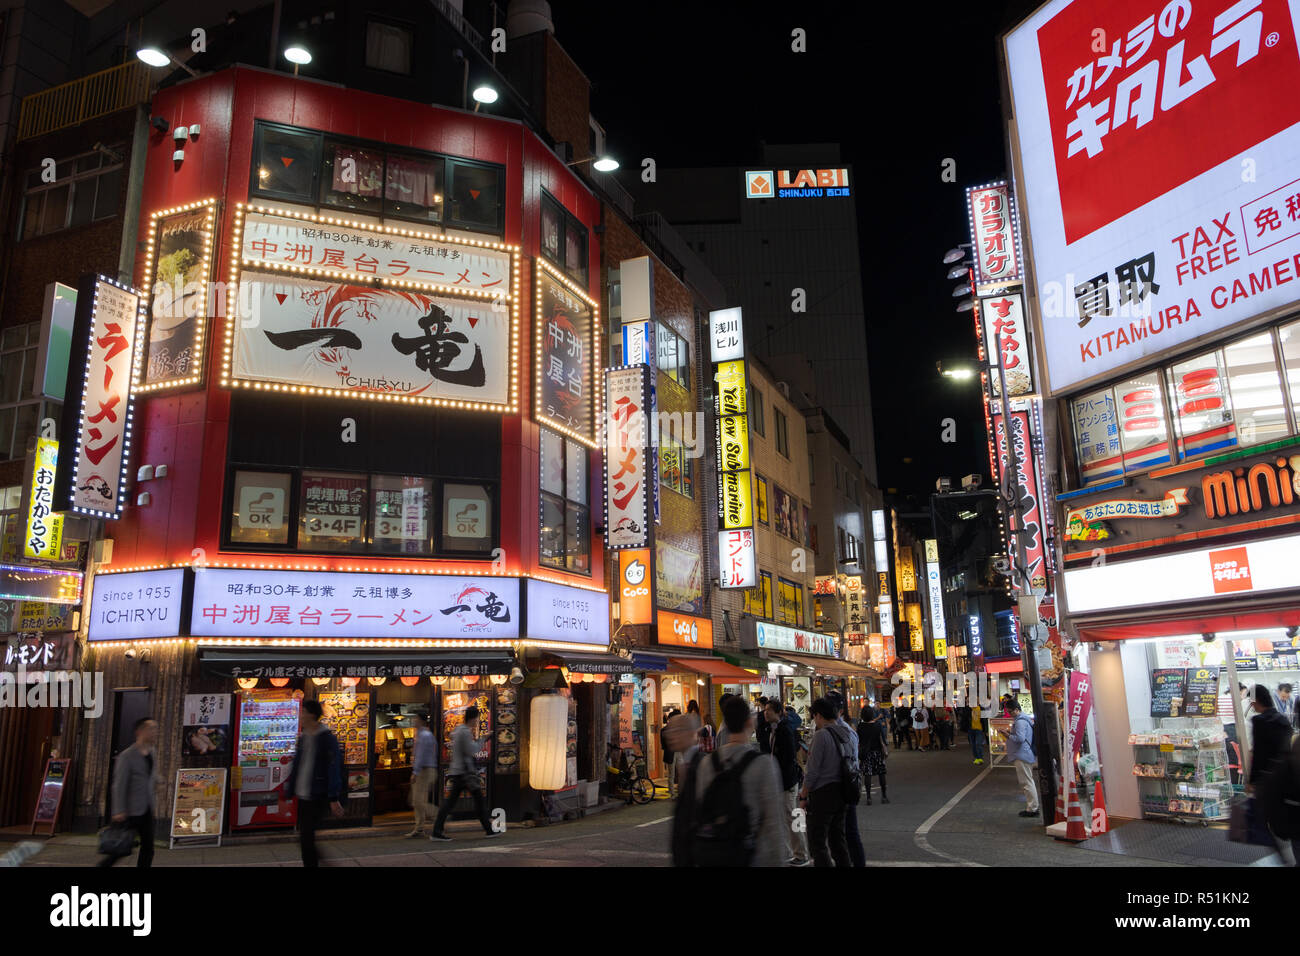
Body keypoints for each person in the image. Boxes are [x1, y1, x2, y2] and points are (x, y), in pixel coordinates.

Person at [672, 696, 786, 866]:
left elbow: (700, 812)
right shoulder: (764, 764)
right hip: (751, 856)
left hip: (714, 853)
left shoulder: (707, 763)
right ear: (749, 723)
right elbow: (774, 824)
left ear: (725, 723)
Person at [284, 700, 345, 867]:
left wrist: (333, 797)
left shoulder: (327, 739)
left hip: (318, 795)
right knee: (305, 837)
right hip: (303, 794)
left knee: (306, 837)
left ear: (311, 714)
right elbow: (297, 764)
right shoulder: (304, 737)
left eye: (302, 711)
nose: (300, 715)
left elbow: (333, 768)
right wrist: (289, 792)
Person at [431, 706, 499, 841]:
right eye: (476, 719)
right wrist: (484, 739)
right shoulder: (465, 732)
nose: (477, 722)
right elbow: (471, 750)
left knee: (453, 802)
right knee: (476, 801)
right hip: (465, 773)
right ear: (473, 718)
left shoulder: (458, 730)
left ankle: (437, 831)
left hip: (459, 771)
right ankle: (488, 830)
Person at [798, 698, 853, 867]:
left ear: (819, 715)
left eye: (814, 717)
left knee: (817, 843)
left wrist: (803, 796)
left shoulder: (821, 736)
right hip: (843, 792)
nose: (815, 721)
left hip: (823, 795)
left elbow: (812, 772)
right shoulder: (846, 732)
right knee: (838, 841)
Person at [99, 717, 160, 867]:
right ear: (140, 731)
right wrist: (118, 810)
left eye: (155, 729)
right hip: (130, 810)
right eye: (151, 729)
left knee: (148, 848)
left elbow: (149, 775)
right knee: (119, 849)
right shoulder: (127, 756)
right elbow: (119, 784)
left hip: (146, 808)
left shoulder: (152, 752)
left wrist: (159, 780)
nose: (154, 733)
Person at [765, 699, 810, 865]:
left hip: (787, 781)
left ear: (777, 712)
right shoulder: (775, 728)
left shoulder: (784, 730)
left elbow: (788, 757)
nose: (765, 712)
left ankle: (802, 854)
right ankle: (792, 852)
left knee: (793, 817)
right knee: (787, 817)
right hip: (783, 780)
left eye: (768, 710)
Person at [827, 692, 865, 867]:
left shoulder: (846, 732)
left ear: (840, 710)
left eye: (831, 707)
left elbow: (852, 762)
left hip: (845, 787)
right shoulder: (824, 729)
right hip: (835, 788)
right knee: (838, 834)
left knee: (849, 832)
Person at [1249, 684, 1294, 791]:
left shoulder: (1259, 721)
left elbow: (1259, 753)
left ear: (1256, 700)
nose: (1251, 705)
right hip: (1285, 774)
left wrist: (1252, 781)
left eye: (1251, 701)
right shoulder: (1283, 719)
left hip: (1266, 777)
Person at [1005, 699, 1039, 818]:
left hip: (1022, 754)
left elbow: (1019, 738)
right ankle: (1033, 806)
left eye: (1011, 711)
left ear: (1017, 709)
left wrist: (1008, 735)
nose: (1010, 714)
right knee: (1028, 781)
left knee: (1026, 782)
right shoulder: (1025, 719)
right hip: (1025, 753)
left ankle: (1032, 808)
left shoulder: (1020, 722)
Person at [406, 710, 437, 837]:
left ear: (422, 721)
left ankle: (439, 816)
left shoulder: (425, 735)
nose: (414, 720)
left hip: (425, 770)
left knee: (418, 801)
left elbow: (421, 755)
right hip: (425, 770)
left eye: (416, 718)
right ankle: (419, 828)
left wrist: (415, 772)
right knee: (415, 800)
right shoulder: (420, 734)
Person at [857, 702, 889, 804]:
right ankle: (884, 796)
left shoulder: (860, 726)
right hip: (877, 752)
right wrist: (885, 748)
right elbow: (882, 739)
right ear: (872, 714)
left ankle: (869, 798)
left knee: (867, 775)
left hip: (866, 753)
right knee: (881, 773)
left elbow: (859, 741)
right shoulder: (877, 725)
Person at [661, 709, 682, 797]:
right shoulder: (665, 730)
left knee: (679, 773)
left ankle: (676, 792)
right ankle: (672, 792)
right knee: (672, 774)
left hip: (678, 752)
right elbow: (663, 744)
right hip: (671, 753)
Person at [968, 701, 989, 766]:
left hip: (979, 729)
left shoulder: (981, 709)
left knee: (978, 743)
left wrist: (986, 730)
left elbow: (985, 720)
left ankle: (980, 758)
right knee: (973, 744)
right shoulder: (968, 709)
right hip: (971, 729)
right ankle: (976, 758)